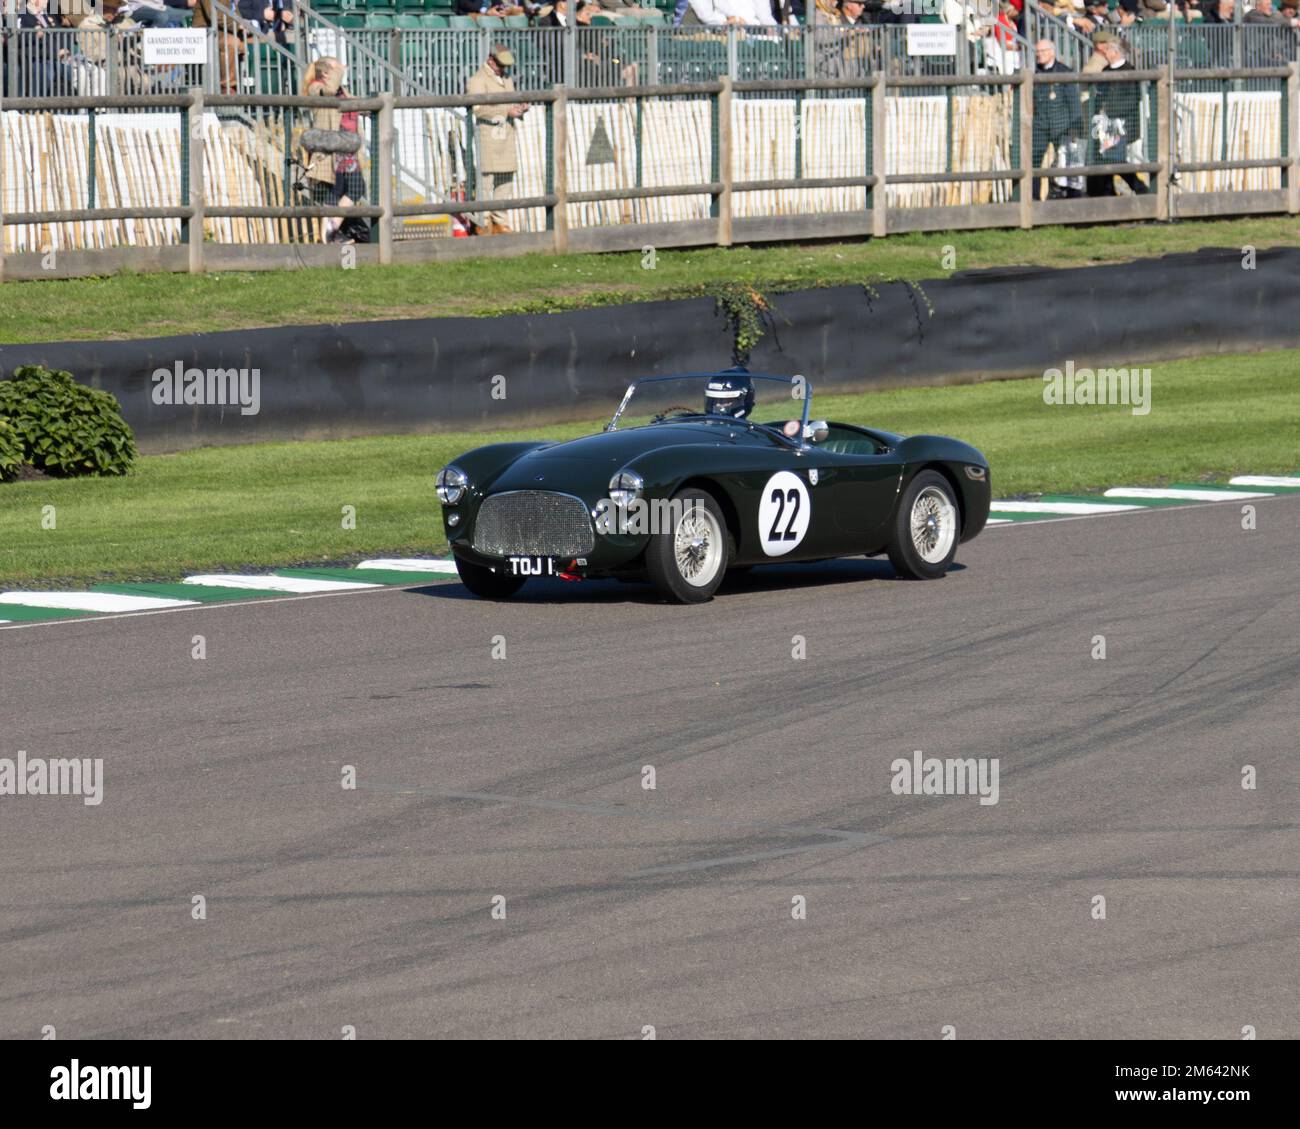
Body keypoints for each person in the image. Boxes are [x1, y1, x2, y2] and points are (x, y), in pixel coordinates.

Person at [302, 57, 371, 245]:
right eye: (337, 67)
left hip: (347, 149)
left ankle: (329, 233)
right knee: (353, 188)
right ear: (326, 73)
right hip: (333, 151)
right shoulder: (316, 88)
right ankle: (331, 231)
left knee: (343, 190)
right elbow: (330, 90)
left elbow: (356, 105)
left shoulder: (342, 91)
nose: (342, 68)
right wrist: (339, 70)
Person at [467, 44, 527, 236]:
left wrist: (519, 108)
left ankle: (500, 221)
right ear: (490, 60)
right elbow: (478, 109)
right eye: (500, 64)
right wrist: (505, 111)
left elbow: (509, 102)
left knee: (506, 179)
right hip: (487, 134)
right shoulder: (477, 80)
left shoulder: (507, 79)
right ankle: (482, 222)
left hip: (507, 133)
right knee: (486, 181)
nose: (503, 69)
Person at [1085, 31, 1149, 196]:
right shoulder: (1105, 70)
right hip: (1104, 125)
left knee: (1114, 159)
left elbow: (1133, 99)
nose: (1105, 53)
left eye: (1107, 50)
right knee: (1106, 159)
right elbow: (1098, 96)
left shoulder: (1130, 70)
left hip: (1122, 125)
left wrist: (1112, 112)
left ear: (1115, 52)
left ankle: (1139, 188)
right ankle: (1110, 193)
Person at [1033, 39, 1085, 199]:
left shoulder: (1065, 72)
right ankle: (1032, 198)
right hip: (1040, 126)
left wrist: (1075, 128)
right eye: (1037, 52)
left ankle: (1071, 198)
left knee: (1067, 163)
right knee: (1032, 161)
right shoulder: (1034, 72)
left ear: (1052, 52)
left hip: (1062, 126)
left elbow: (1074, 103)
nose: (1039, 55)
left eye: (1043, 51)